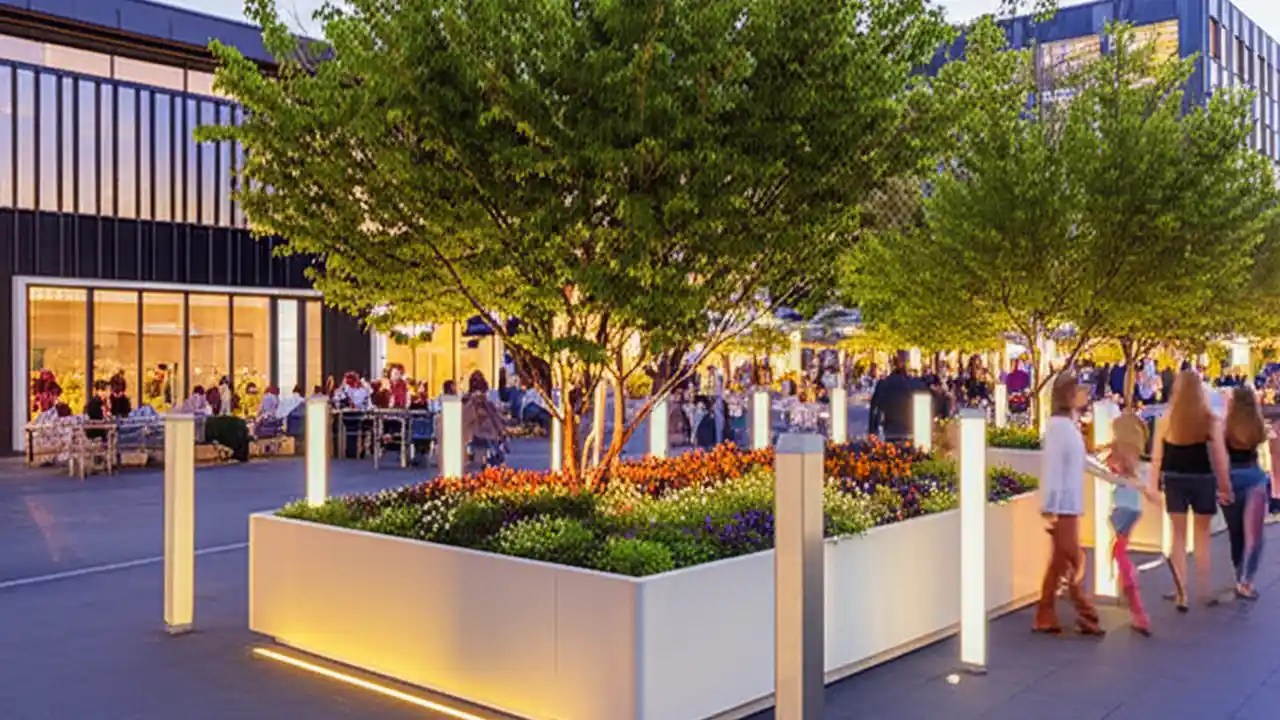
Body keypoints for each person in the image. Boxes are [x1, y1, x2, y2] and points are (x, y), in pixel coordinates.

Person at [1148, 370, 1232, 611]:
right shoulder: (1209, 419)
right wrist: (1225, 486)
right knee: (1202, 537)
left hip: (1174, 479)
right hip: (1203, 478)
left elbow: (1157, 457)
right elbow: (1219, 457)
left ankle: (1181, 591)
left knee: (1178, 536)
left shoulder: (1166, 419)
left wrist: (1153, 485)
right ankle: (1204, 590)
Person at [1034, 372, 1103, 636]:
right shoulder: (1059, 428)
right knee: (1073, 558)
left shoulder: (1068, 426)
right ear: (1069, 396)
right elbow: (1052, 467)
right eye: (1080, 391)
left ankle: (1046, 612)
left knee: (1062, 561)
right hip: (1062, 504)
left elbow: (1080, 462)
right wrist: (1050, 507)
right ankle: (1085, 612)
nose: (1086, 395)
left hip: (1068, 502)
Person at [1095, 411, 1160, 636]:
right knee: (1118, 548)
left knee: (1119, 553)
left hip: (1121, 508)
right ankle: (1128, 589)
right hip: (1134, 509)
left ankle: (1132, 593)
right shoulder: (1135, 456)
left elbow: (1105, 467)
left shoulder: (1120, 455)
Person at [1221, 386, 1270, 601]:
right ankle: (1246, 581)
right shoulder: (1257, 425)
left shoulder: (1225, 426)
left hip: (1230, 478)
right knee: (1255, 535)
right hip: (1253, 478)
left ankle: (1238, 574)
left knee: (1236, 532)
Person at [867, 350, 923, 441]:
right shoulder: (913, 384)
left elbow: (874, 408)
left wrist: (872, 430)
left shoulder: (884, 384)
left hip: (890, 428)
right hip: (909, 428)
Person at [462, 372, 507, 467]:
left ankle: (495, 455)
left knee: (489, 436)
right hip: (478, 433)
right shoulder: (470, 402)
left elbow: (495, 417)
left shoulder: (483, 403)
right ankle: (495, 455)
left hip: (481, 433)